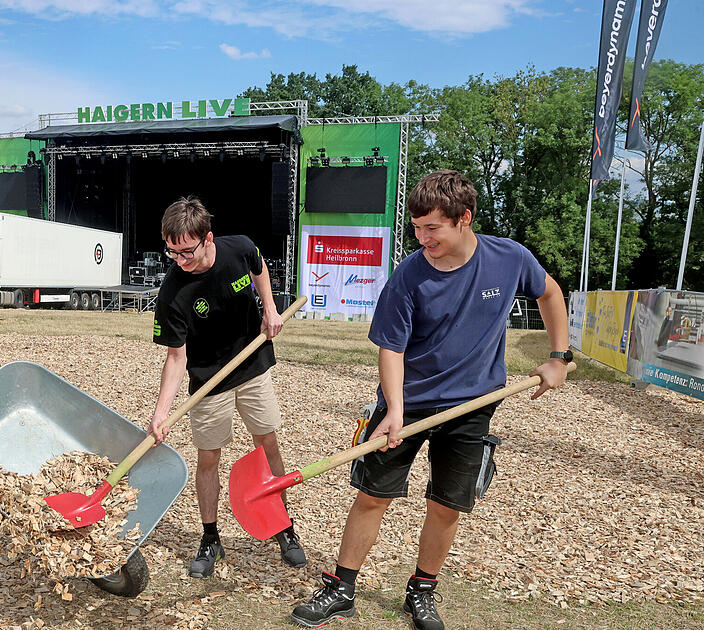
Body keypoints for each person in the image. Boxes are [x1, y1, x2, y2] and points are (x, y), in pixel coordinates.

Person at [289, 170, 570, 629]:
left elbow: (550, 292)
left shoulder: (509, 258)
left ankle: (421, 591)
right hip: (408, 402)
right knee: (372, 496)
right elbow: (391, 349)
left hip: (473, 406)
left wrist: (558, 357)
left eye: (431, 228)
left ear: (464, 218)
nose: (422, 238)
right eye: (416, 228)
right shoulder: (409, 275)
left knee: (446, 505)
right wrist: (394, 411)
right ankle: (341, 588)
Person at [148, 196, 307, 579]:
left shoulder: (238, 248)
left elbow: (259, 266)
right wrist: (160, 413)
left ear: (208, 238)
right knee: (209, 458)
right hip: (208, 382)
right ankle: (210, 537)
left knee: (267, 444)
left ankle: (282, 525)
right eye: (172, 253)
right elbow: (175, 358)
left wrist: (269, 307)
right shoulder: (173, 292)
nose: (180, 260)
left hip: (252, 365)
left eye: (186, 251)